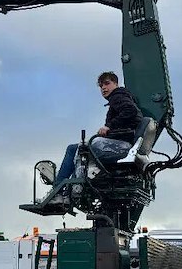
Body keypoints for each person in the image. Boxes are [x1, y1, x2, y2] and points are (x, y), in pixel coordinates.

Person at [45, 71, 142, 205]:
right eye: (101, 85)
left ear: (116, 84)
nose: (103, 88)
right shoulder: (120, 98)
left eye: (107, 83)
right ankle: (64, 191)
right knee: (74, 148)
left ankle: (67, 191)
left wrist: (109, 126)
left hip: (122, 146)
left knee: (81, 149)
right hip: (122, 144)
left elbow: (130, 111)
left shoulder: (118, 96)